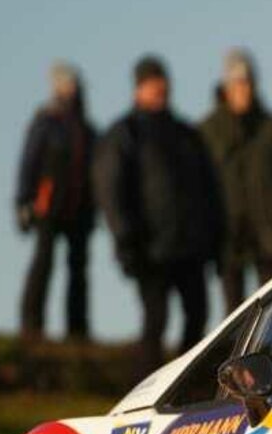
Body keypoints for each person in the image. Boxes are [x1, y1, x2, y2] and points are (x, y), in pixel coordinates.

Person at [94, 55, 223, 372]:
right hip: (148, 248)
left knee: (198, 314)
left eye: (162, 81)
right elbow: (111, 189)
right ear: (139, 88)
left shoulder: (186, 134)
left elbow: (209, 190)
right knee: (156, 319)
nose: (159, 88)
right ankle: (147, 388)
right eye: (152, 82)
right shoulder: (125, 134)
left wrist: (213, 237)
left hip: (189, 246)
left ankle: (189, 383)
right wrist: (125, 239)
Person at [199, 48, 272, 315]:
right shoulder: (208, 131)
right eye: (238, 82)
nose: (244, 89)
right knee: (234, 314)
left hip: (269, 234)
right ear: (226, 87)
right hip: (228, 237)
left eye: (248, 82)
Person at [13, 62, 96, 339]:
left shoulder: (87, 128)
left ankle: (78, 331)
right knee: (43, 263)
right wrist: (23, 201)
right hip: (48, 206)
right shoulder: (46, 122)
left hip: (80, 208)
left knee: (78, 271)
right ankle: (31, 327)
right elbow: (29, 161)